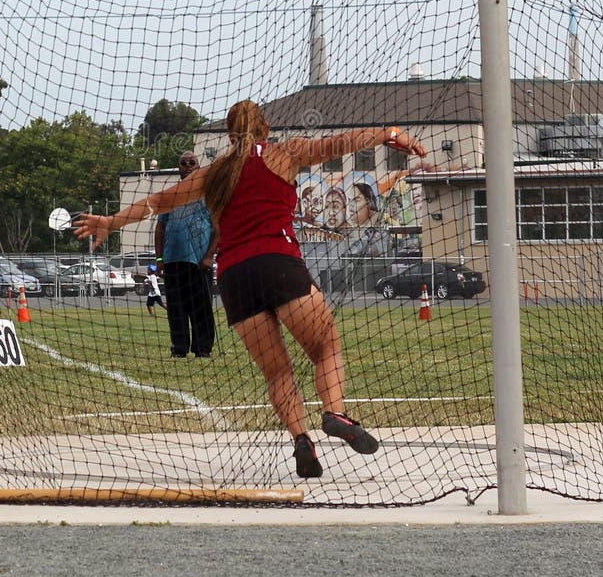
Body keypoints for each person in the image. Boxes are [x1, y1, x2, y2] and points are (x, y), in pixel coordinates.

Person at [73, 101, 426, 478]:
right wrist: (389, 134)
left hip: (234, 278)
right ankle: (335, 413)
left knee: (277, 372)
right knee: (326, 347)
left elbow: (158, 202)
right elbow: (340, 143)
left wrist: (110, 222)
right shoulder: (285, 153)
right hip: (278, 264)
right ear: (266, 129)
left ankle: (301, 440)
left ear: (229, 135)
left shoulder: (212, 173)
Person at [154, 151, 218, 358]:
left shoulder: (208, 194)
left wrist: (209, 256)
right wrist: (159, 259)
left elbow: (219, 228)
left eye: (192, 162)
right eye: (184, 163)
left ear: (198, 167)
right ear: (179, 167)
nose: (188, 166)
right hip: (173, 260)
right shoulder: (170, 194)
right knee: (176, 308)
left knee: (201, 307)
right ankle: (179, 348)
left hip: (198, 261)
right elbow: (160, 228)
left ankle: (203, 348)